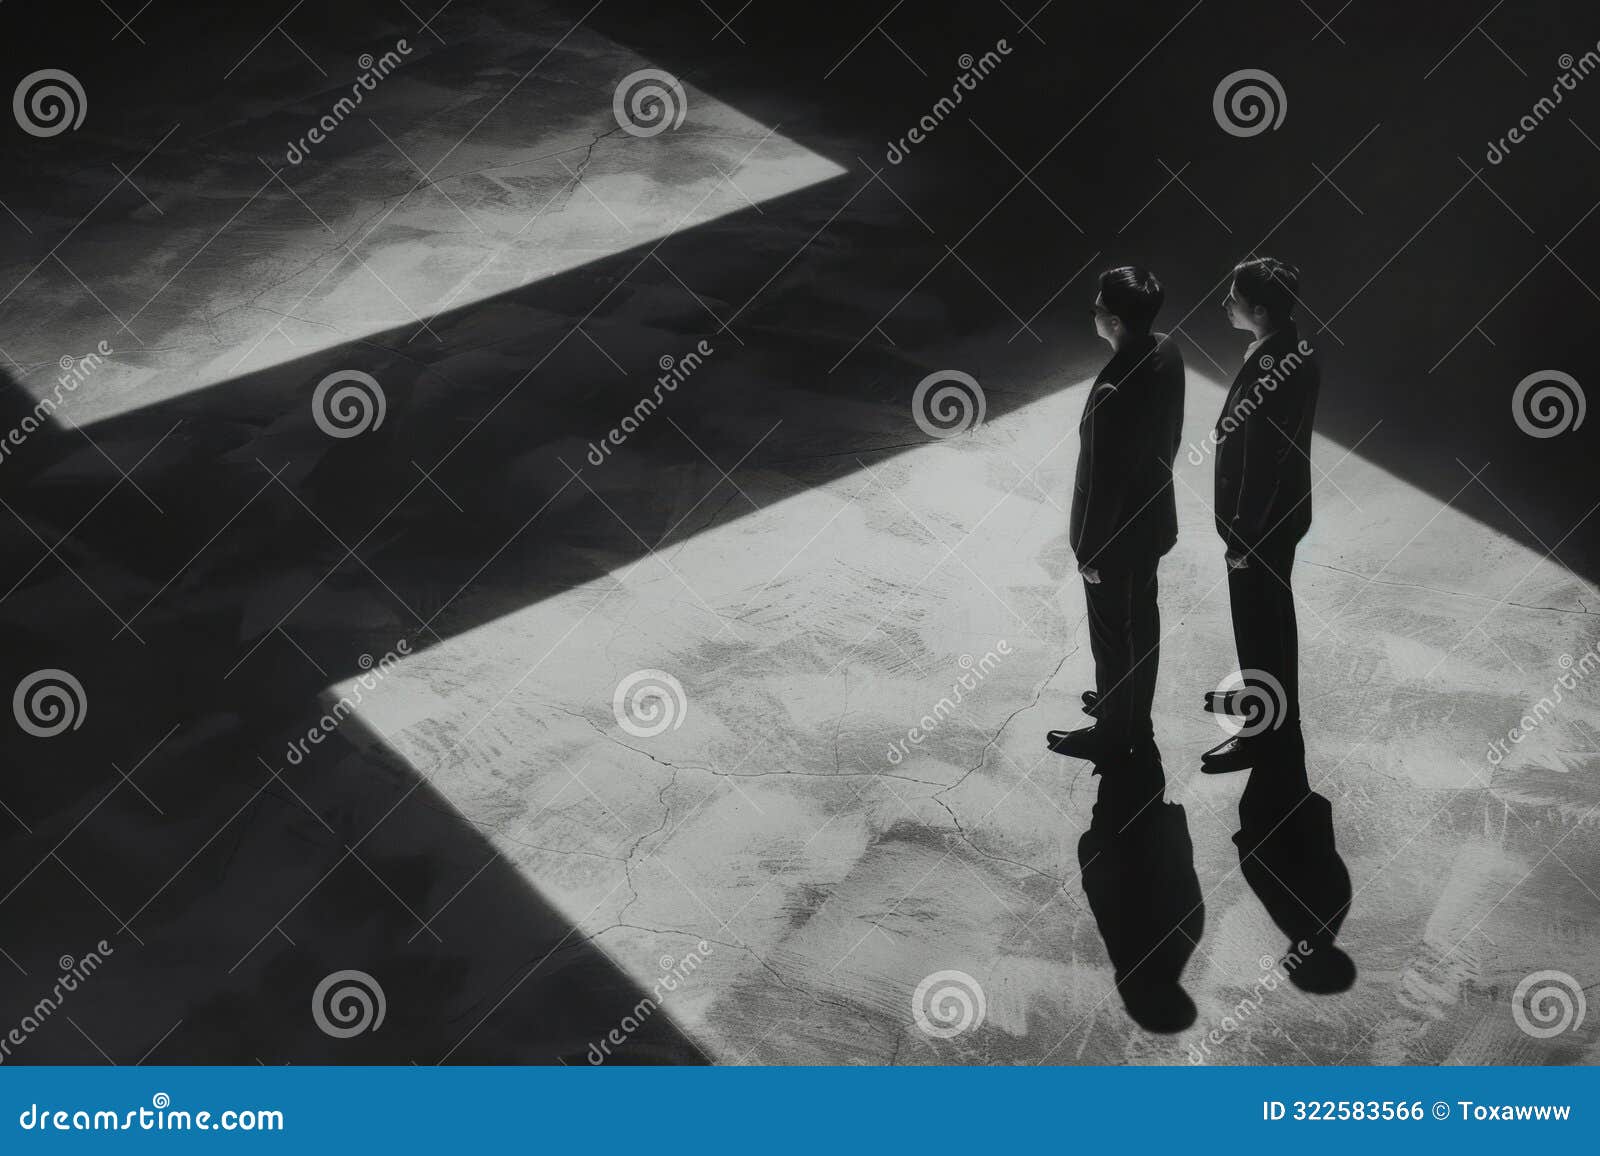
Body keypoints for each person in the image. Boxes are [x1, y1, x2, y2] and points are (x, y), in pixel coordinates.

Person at [1047, 267, 1185, 763]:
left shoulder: (1112, 393)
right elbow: (1169, 437)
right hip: (1153, 521)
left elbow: (1104, 486)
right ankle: (1129, 712)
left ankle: (1113, 733)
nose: (1095, 314)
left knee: (1112, 636)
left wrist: (1089, 550)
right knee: (1141, 622)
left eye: (1098, 308)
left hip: (1114, 539)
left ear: (1116, 322)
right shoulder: (1167, 352)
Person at [1202, 257, 1322, 774]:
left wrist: (1242, 537)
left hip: (1260, 525)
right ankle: (1272, 709)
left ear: (1258, 309)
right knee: (1271, 621)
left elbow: (1262, 461)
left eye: (1232, 297)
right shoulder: (1286, 349)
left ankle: (1263, 733)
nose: (1224, 304)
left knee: (1258, 626)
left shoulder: (1276, 364)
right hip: (1278, 518)